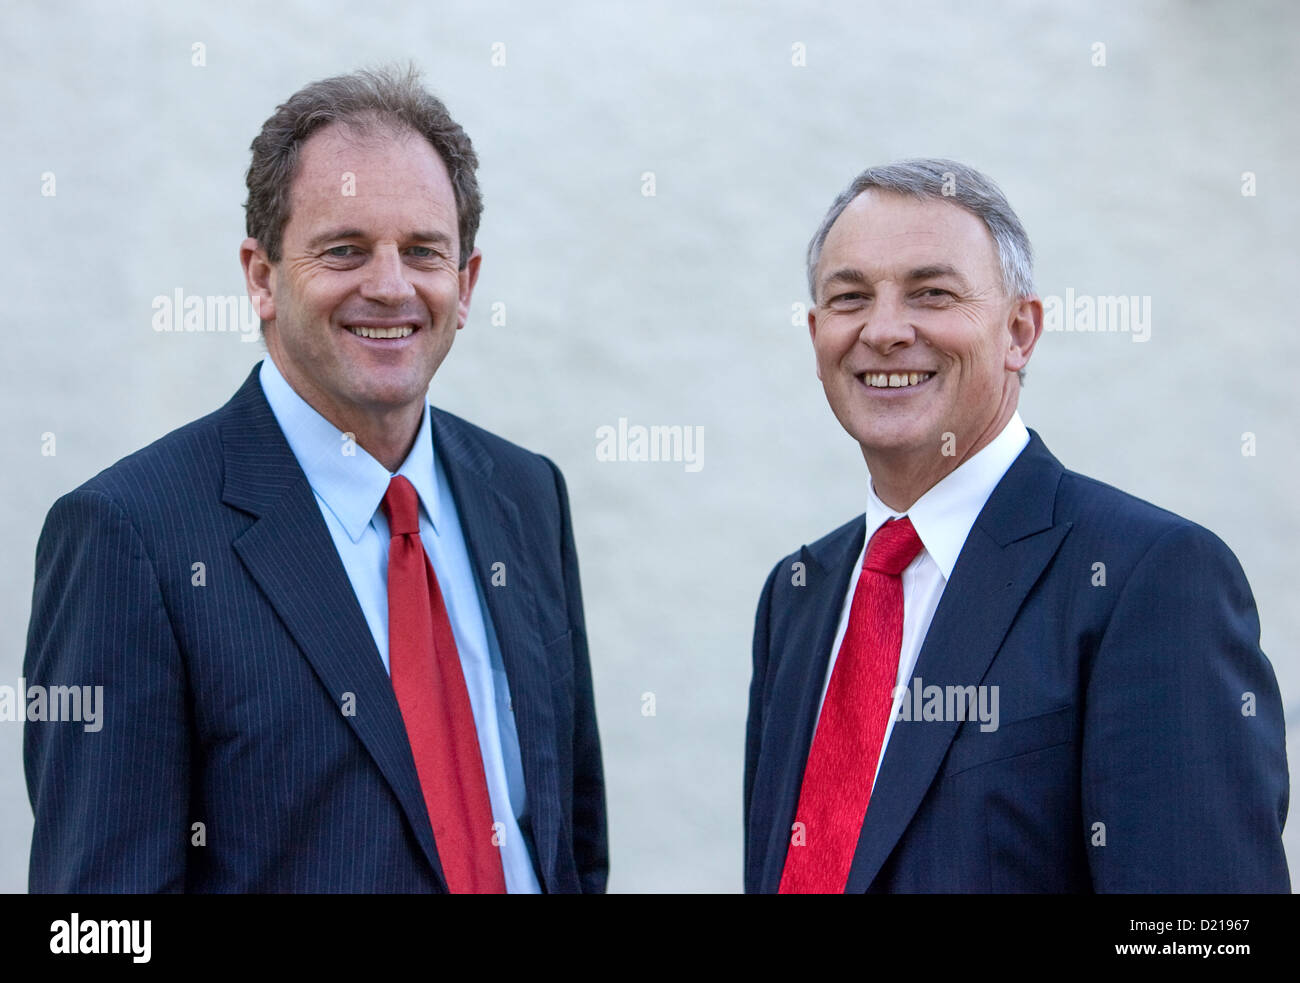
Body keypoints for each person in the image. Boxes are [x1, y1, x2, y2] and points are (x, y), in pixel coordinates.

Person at [24, 66, 607, 894]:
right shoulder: (132, 537)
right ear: (261, 277)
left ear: (466, 283)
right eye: (344, 249)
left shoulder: (526, 495)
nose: (390, 286)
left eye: (422, 251)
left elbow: (569, 844)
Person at [743, 158, 1289, 893]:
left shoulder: (1149, 579)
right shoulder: (798, 594)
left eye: (931, 293)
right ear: (816, 336)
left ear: (1020, 331)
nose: (885, 330)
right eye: (850, 298)